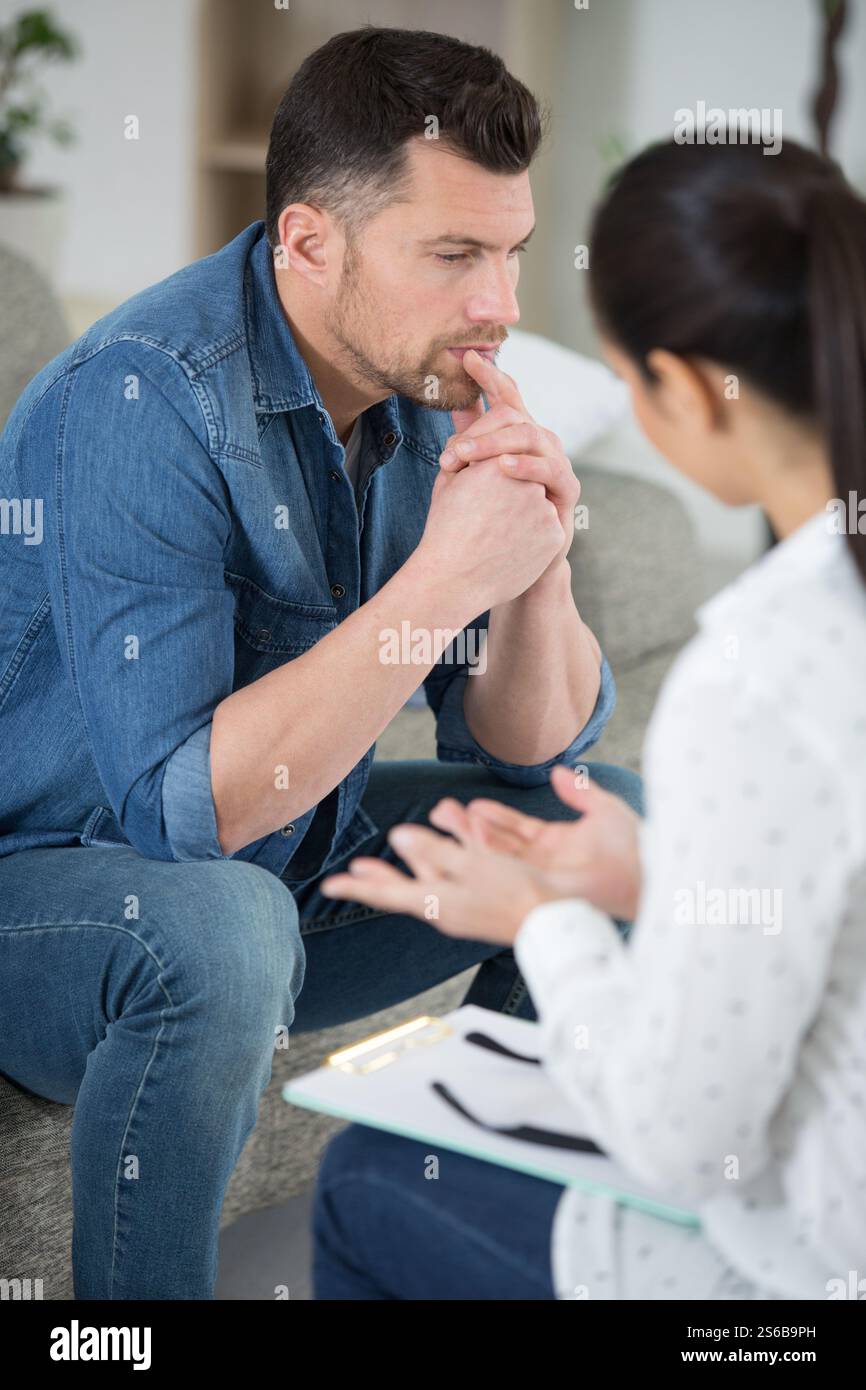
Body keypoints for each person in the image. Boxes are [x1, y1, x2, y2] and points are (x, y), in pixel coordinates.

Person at [0, 26, 637, 1299]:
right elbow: (193, 814)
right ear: (307, 242)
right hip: (53, 901)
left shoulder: (421, 388)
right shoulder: (140, 396)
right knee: (224, 926)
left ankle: (435, 1238)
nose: (500, 306)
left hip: (280, 870)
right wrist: (445, 575)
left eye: (507, 252)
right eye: (452, 255)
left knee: (604, 823)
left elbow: (526, 750)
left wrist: (534, 558)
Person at [312, 134, 866, 1301]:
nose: (493, 307)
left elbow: (679, 1133)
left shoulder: (761, 673)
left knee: (366, 1179)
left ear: (671, 385)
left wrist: (544, 919)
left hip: (809, 1273)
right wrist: (658, 877)